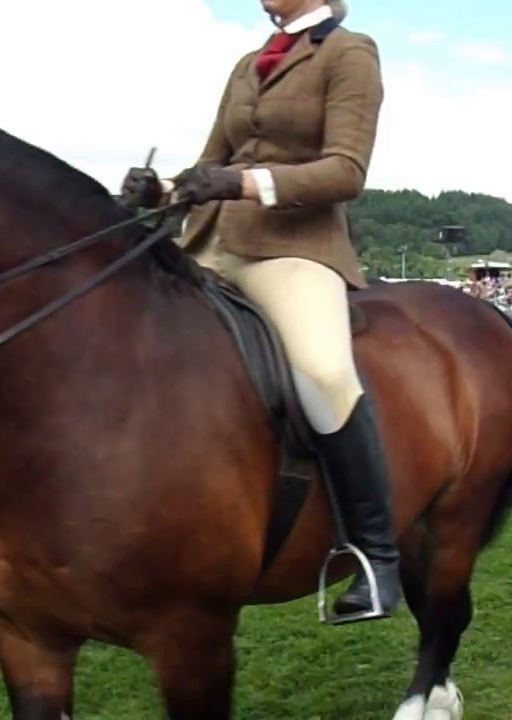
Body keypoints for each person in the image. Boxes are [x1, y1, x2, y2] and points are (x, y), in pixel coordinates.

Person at [118, 0, 400, 621]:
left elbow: (346, 170)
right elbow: (211, 162)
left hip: (292, 246)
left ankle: (377, 558)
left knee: (324, 371)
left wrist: (246, 185)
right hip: (208, 243)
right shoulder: (249, 62)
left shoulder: (350, 52)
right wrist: (163, 189)